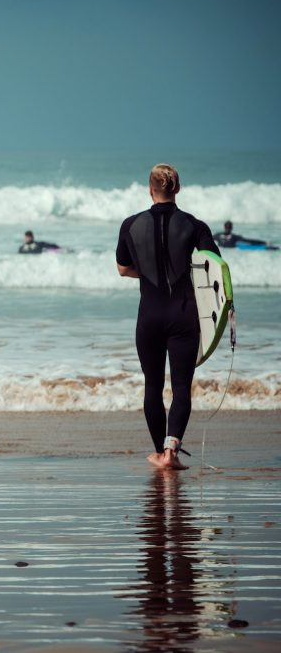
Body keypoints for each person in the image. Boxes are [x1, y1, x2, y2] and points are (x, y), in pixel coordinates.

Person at [116, 164, 219, 470]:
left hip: (149, 316)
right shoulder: (194, 225)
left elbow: (123, 269)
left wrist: (151, 274)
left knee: (152, 385)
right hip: (183, 315)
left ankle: (159, 455)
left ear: (150, 190)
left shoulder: (130, 224)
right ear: (178, 188)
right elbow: (214, 265)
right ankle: (171, 451)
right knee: (182, 387)